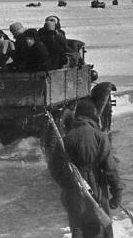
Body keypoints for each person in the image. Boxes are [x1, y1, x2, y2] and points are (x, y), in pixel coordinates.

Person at [50, 100, 124, 238]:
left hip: (75, 194)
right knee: (101, 230)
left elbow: (54, 168)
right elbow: (111, 170)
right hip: (97, 192)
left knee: (79, 230)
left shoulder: (66, 139)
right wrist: (117, 194)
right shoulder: (100, 136)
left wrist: (69, 184)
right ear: (93, 116)